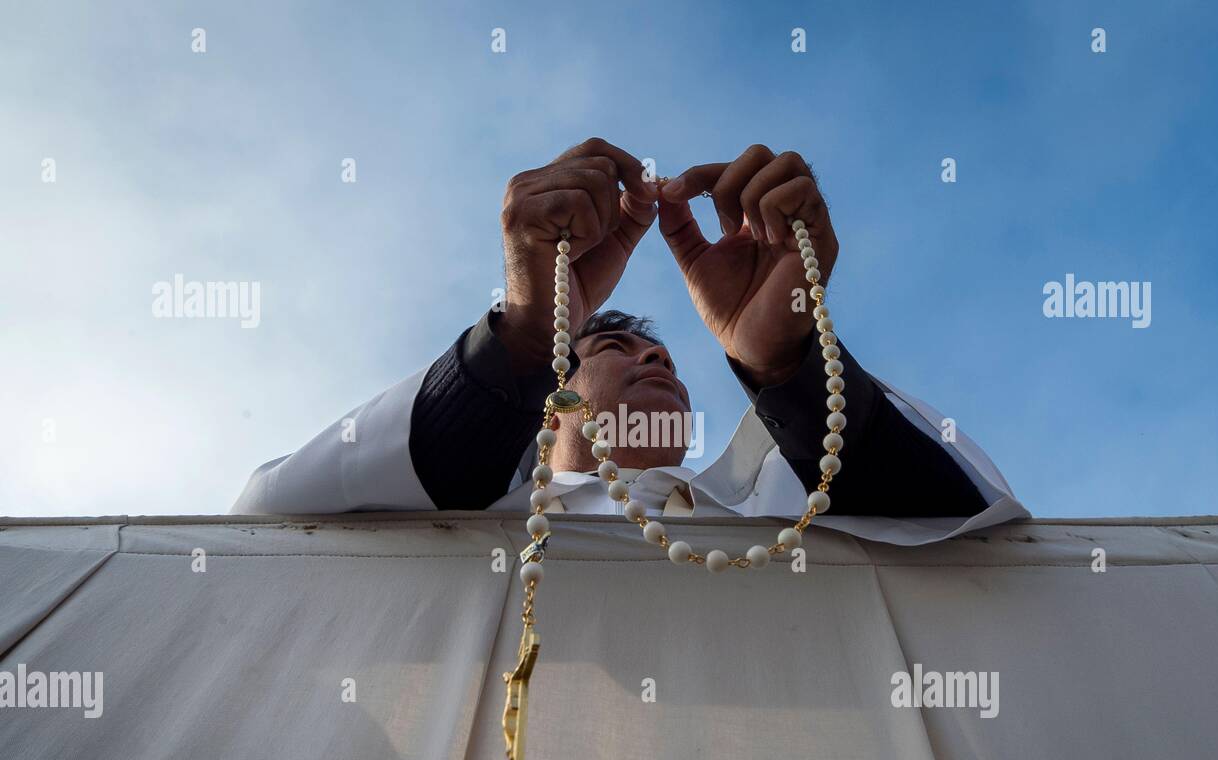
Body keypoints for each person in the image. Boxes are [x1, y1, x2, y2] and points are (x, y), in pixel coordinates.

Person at [232, 139, 1028, 545]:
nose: (656, 358)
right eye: (616, 349)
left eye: (668, 359)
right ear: (552, 410)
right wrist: (527, 333)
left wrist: (784, 365)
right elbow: (265, 524)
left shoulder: (783, 504)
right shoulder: (465, 511)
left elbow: (979, 535)